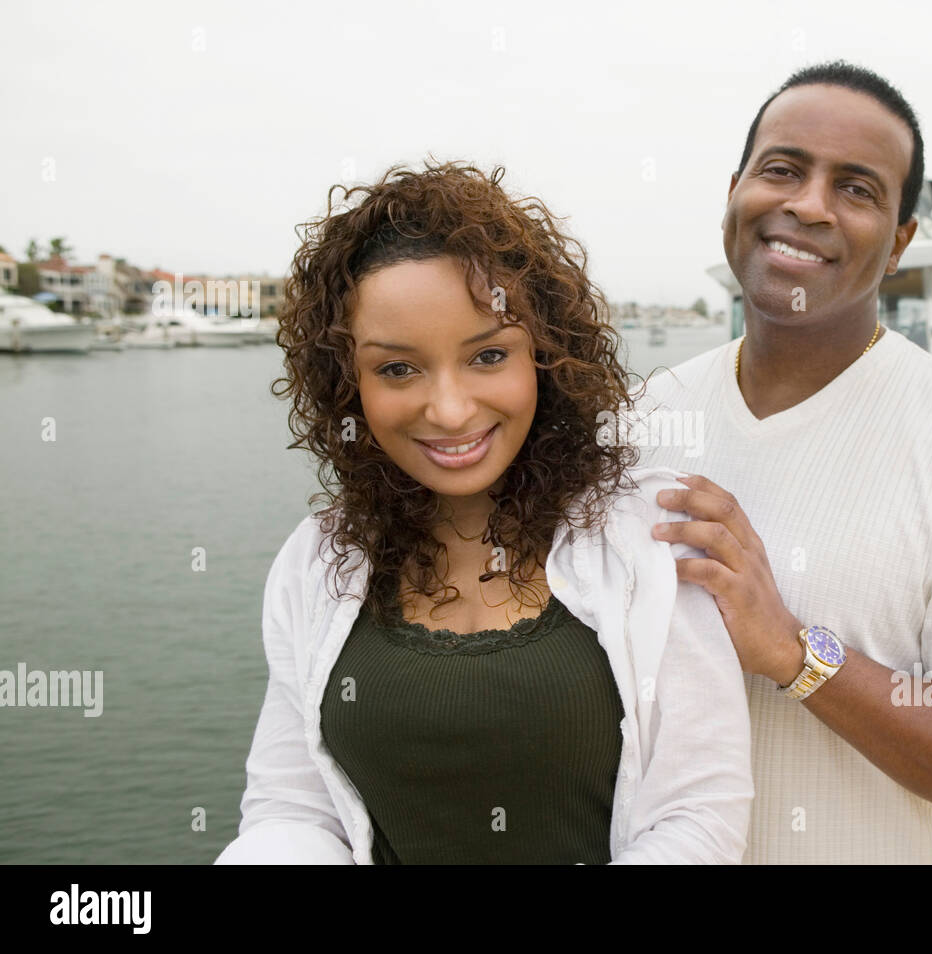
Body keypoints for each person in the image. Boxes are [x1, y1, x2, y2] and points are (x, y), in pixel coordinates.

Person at [215, 159, 752, 865]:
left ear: (546, 357)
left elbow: (698, 818)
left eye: (488, 355)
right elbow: (291, 808)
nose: (450, 409)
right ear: (348, 385)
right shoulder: (317, 560)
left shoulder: (647, 537)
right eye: (398, 368)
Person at [635, 61, 932, 863]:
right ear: (733, 193)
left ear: (899, 244)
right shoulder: (641, 419)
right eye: (782, 169)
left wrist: (794, 653)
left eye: (857, 189)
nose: (808, 205)